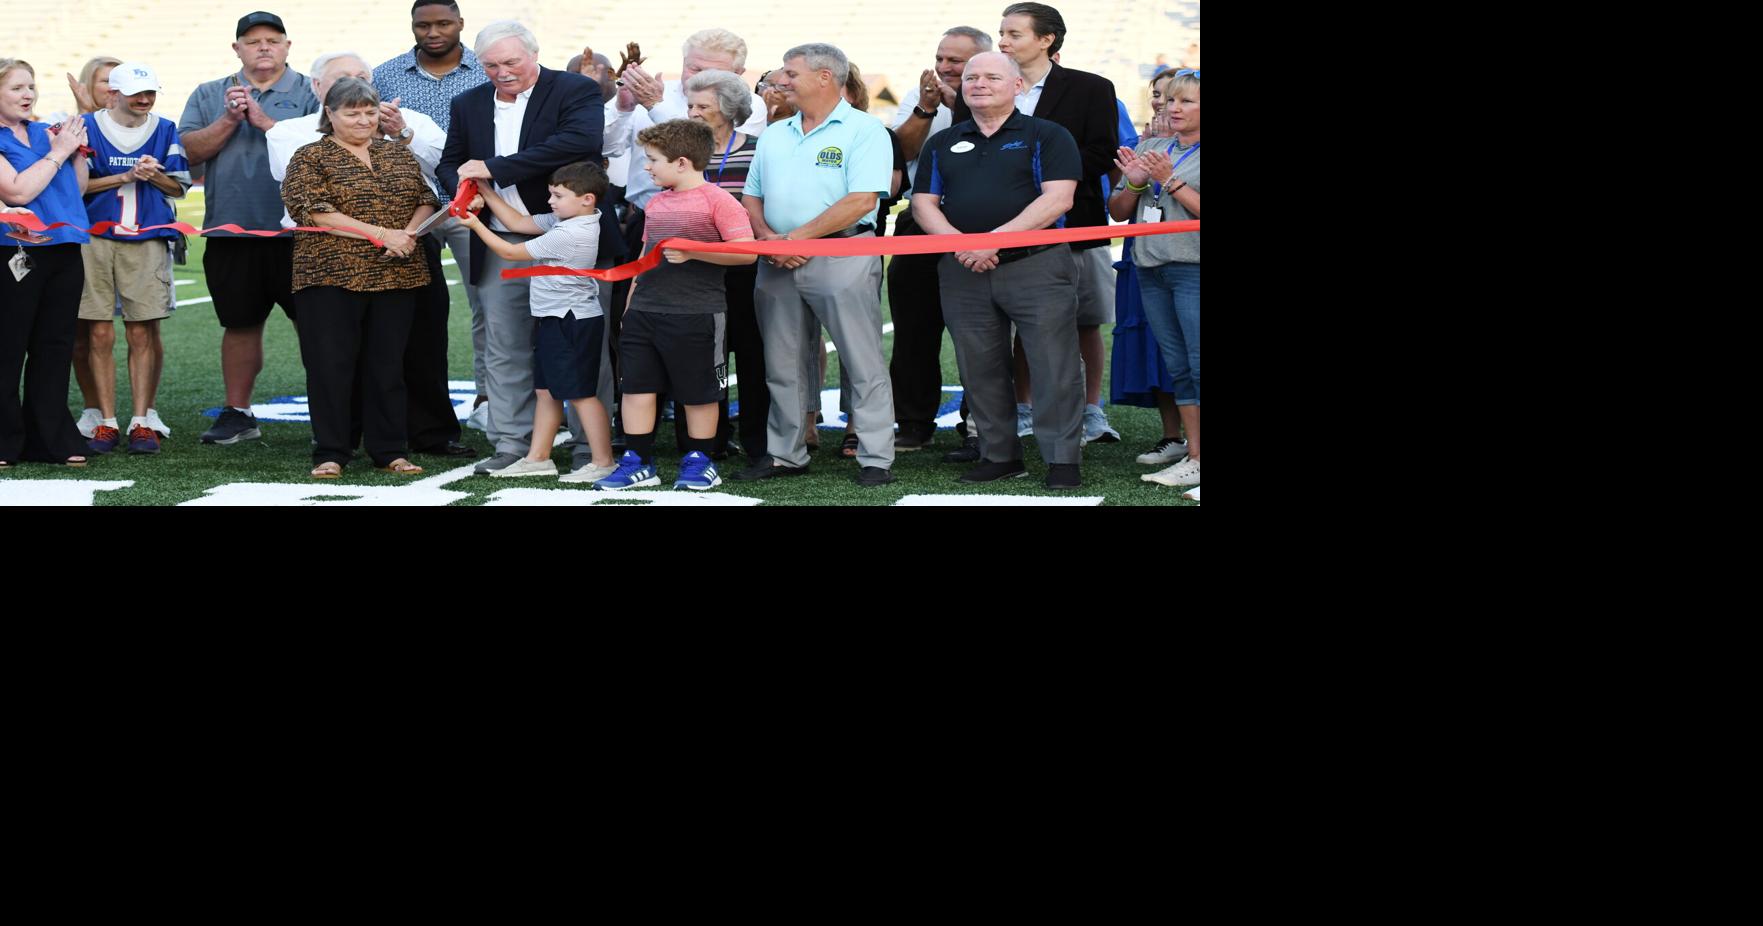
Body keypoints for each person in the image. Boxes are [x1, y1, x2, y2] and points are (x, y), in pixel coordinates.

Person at [268, 51, 467, 459]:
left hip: (397, 273)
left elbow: (425, 198)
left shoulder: (395, 152)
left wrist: (408, 233)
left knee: (388, 367)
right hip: (330, 273)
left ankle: (390, 450)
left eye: (369, 112)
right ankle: (331, 451)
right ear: (330, 114)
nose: (363, 121)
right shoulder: (310, 154)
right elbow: (313, 210)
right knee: (332, 366)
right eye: (352, 113)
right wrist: (383, 234)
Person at [437, 19, 612, 477]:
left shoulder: (574, 89)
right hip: (503, 237)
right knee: (505, 343)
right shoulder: (467, 102)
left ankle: (587, 447)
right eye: (491, 65)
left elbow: (579, 142)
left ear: (534, 55)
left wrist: (493, 170)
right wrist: (465, 188)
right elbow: (450, 162)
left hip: (574, 240)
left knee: (581, 345)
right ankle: (511, 443)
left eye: (511, 61)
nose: (502, 72)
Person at [911, 51, 1083, 489]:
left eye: (991, 77)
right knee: (978, 366)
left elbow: (1058, 199)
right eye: (971, 78)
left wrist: (993, 241)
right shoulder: (943, 141)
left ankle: (1062, 459)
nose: (978, 84)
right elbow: (923, 203)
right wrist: (963, 246)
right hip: (962, 269)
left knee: (1053, 364)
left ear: (1018, 86)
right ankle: (999, 453)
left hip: (1035, 266)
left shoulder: (1048, 134)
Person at [733, 43, 895, 487]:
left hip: (842, 255)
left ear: (825, 77)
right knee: (781, 361)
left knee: (861, 358)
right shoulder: (776, 133)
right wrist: (771, 240)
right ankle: (786, 453)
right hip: (776, 258)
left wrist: (792, 240)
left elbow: (862, 200)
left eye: (791, 72)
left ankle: (875, 455)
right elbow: (751, 196)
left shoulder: (865, 130)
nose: (782, 80)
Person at [179, 11, 320, 446]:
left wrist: (266, 122)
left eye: (273, 40)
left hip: (302, 231)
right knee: (239, 323)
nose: (264, 47)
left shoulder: (312, 92)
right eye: (253, 40)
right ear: (237, 48)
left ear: (287, 46)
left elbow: (327, 148)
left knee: (316, 323)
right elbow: (188, 153)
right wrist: (229, 120)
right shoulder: (209, 93)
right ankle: (238, 412)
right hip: (231, 229)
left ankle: (331, 406)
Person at [594, 119, 754, 491]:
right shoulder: (659, 201)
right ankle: (637, 461)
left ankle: (700, 461)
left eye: (653, 159)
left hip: (696, 314)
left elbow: (746, 254)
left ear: (682, 162)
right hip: (645, 313)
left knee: (699, 393)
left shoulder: (720, 200)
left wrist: (698, 251)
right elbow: (646, 258)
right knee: (636, 389)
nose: (647, 166)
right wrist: (630, 309)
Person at [994, 3, 1121, 445]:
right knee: (1021, 323)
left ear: (1046, 39)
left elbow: (1102, 152)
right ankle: (1024, 409)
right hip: (1005, 224)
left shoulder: (1092, 88)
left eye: (1013, 33)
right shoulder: (992, 85)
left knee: (1085, 321)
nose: (1003, 41)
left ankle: (1090, 412)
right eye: (1002, 32)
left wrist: (1042, 180)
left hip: (1076, 226)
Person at [457, 161, 616, 482]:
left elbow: (512, 252)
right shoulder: (567, 219)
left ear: (587, 199)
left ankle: (603, 460)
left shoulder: (572, 232)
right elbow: (516, 220)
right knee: (546, 391)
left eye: (557, 195)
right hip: (554, 318)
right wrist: (486, 190)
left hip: (571, 321)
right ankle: (538, 457)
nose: (550, 202)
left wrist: (475, 225)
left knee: (582, 394)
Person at [374, 1, 493, 427]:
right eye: (423, 25)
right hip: (411, 209)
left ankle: (487, 398)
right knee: (414, 312)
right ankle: (419, 409)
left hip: (475, 204)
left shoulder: (487, 69)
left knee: (487, 304)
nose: (433, 32)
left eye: (443, 23)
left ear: (461, 23)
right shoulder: (385, 74)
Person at [887, 26, 991, 457]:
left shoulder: (997, 94)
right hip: (920, 222)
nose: (946, 68)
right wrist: (926, 109)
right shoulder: (920, 92)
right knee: (913, 328)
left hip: (982, 224)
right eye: (941, 58)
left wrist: (961, 106)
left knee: (982, 332)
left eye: (957, 61)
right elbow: (900, 154)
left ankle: (979, 422)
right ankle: (913, 422)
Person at [77, 62, 190, 456]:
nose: (144, 100)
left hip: (146, 236)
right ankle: (106, 421)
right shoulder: (86, 126)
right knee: (98, 331)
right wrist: (125, 177)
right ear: (114, 94)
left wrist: (154, 175)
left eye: (150, 93)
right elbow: (77, 186)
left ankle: (142, 419)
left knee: (142, 330)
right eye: (136, 94)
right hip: (93, 237)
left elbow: (178, 187)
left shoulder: (164, 129)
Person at [0, 58, 91, 468]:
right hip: (14, 252)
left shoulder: (45, 132)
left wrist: (77, 151)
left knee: (55, 347)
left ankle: (50, 438)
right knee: (7, 347)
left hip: (64, 250)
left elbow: (78, 188)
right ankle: (4, 440)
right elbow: (16, 192)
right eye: (18, 87)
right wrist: (59, 152)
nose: (29, 94)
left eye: (31, 86)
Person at [1112, 68, 1199, 489]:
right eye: (1170, 100)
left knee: (1199, 364)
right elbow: (1118, 210)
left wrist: (1170, 180)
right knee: (1179, 366)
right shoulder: (1151, 145)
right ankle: (1195, 456)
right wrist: (1134, 180)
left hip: (1194, 270)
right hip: (1152, 268)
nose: (1172, 107)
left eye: (1186, 101)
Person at [683, 68, 766, 464]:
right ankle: (704, 442)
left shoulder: (760, 148)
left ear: (730, 109)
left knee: (752, 354)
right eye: (690, 105)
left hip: (746, 266)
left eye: (703, 106)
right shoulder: (680, 152)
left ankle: (757, 441)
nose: (694, 112)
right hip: (695, 268)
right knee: (701, 357)